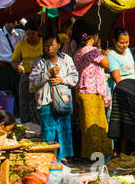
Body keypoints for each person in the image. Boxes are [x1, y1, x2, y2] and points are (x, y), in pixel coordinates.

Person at [28, 33, 79, 162]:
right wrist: (47, 75)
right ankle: (49, 158)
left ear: (59, 45)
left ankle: (64, 158)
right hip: (45, 102)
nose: (49, 49)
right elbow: (33, 81)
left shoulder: (66, 59)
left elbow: (74, 78)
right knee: (48, 131)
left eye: (52, 45)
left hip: (63, 101)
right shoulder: (38, 62)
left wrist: (63, 79)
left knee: (64, 130)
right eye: (46, 46)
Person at [73, 28, 112, 162]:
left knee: (86, 125)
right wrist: (103, 52)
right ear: (94, 37)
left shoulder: (78, 52)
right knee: (96, 126)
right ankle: (98, 156)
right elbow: (107, 63)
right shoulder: (93, 51)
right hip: (92, 92)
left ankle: (88, 155)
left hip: (81, 92)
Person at [10, 24, 44, 122]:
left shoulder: (43, 43)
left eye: (33, 33)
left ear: (38, 32)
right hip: (27, 76)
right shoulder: (21, 44)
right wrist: (18, 66)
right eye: (28, 33)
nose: (30, 36)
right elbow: (14, 61)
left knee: (38, 101)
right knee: (24, 101)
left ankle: (38, 124)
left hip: (41, 76)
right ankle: (25, 123)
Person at [106, 27, 135, 94]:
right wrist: (129, 91)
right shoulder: (112, 55)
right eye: (121, 43)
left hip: (132, 87)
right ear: (114, 41)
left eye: (127, 42)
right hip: (122, 90)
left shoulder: (128, 50)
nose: (125, 45)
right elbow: (117, 78)